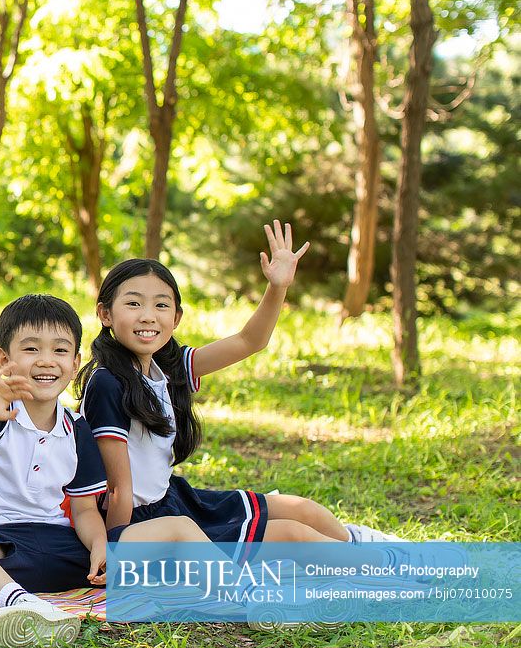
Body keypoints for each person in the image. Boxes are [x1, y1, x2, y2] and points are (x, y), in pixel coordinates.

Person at [78, 221, 401, 548]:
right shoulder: (107, 382)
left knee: (302, 510)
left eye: (161, 305)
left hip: (173, 500)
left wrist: (277, 287)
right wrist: (115, 554)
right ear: (105, 313)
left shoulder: (167, 366)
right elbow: (118, 490)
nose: (148, 316)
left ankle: (366, 545)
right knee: (293, 536)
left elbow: (250, 341)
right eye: (134, 304)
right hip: (140, 522)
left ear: (176, 318)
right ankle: (388, 568)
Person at [0, 295, 207, 648]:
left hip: (65, 551)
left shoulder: (78, 430)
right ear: (4, 360)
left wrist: (99, 545)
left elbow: (85, 509)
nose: (46, 361)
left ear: (75, 364)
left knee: (179, 527)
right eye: (31, 349)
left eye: (59, 351)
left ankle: (243, 596)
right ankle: (20, 604)